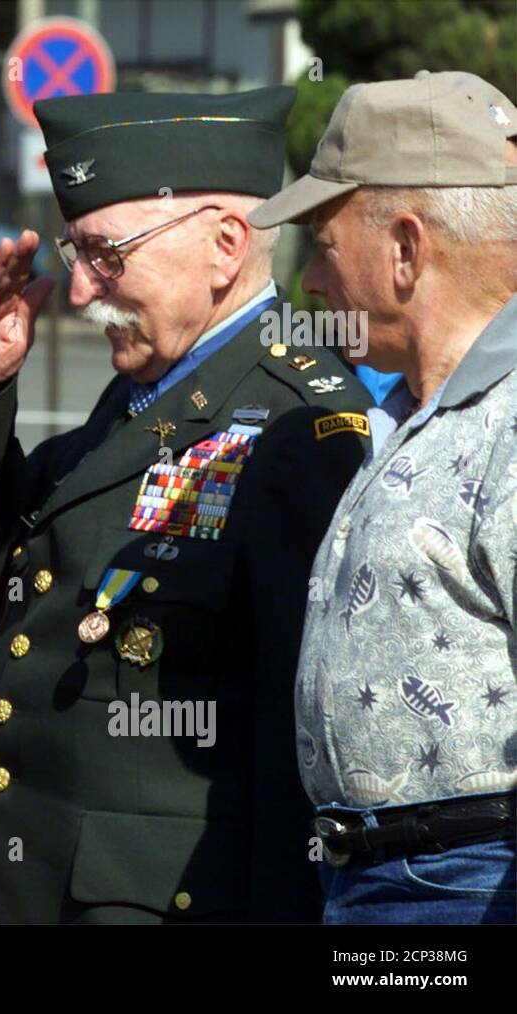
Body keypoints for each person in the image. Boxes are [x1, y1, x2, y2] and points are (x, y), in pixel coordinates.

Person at [0, 87, 373, 924]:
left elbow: (300, 745)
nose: (81, 291)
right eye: (72, 253)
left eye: (107, 254)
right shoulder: (142, 399)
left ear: (225, 245)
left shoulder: (300, 425)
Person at [249, 70, 517, 924]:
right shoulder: (411, 409)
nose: (310, 285)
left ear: (406, 248)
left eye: (321, 246)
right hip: (391, 878)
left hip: (468, 887)